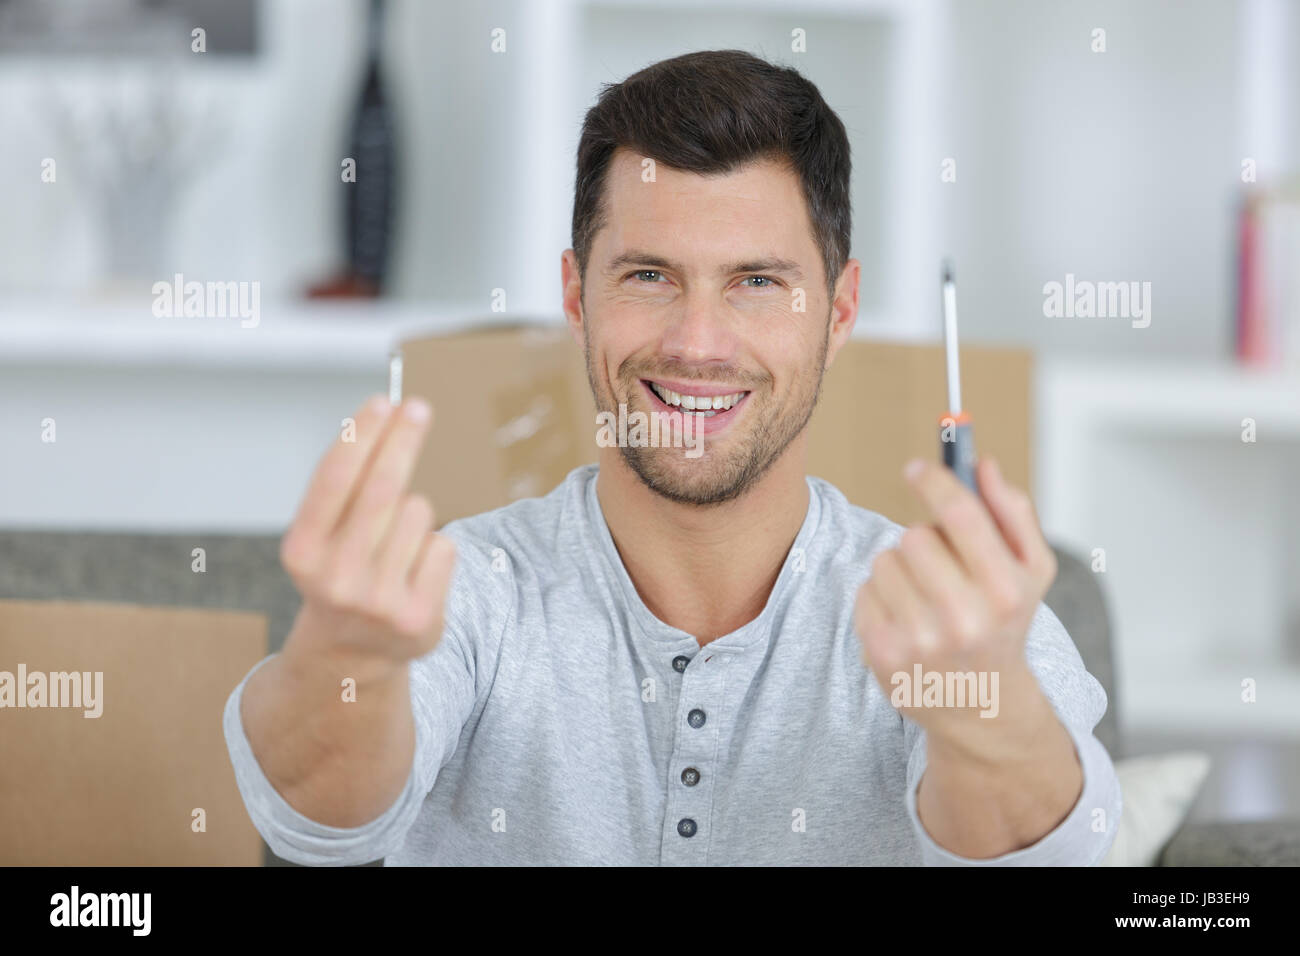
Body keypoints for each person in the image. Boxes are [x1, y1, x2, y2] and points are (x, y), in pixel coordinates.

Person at [224, 49, 1120, 865]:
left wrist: (979, 708)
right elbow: (321, 824)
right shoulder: (468, 589)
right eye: (649, 276)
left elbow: (1047, 860)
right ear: (576, 297)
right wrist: (349, 657)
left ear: (839, 312)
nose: (698, 344)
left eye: (757, 283)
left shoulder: (955, 618)